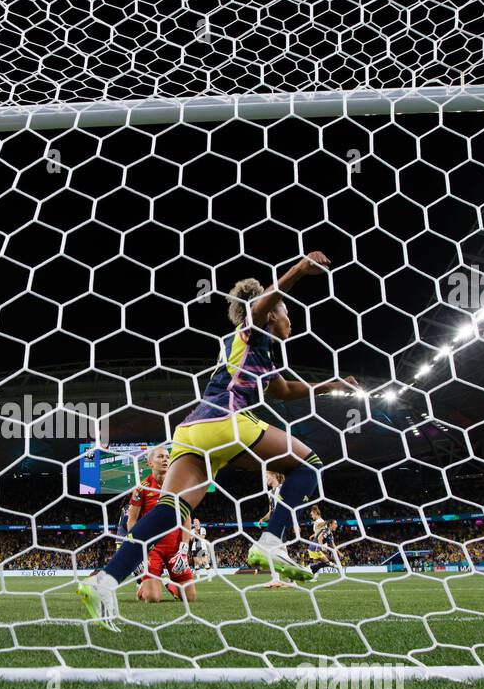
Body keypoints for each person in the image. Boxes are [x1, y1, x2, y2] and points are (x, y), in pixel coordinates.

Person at [78, 252, 358, 627]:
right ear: (271, 311)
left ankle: (105, 581)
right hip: (228, 422)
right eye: (286, 310)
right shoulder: (251, 328)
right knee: (309, 465)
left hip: (191, 432)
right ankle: (271, 542)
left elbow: (285, 389)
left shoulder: (260, 351)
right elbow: (261, 304)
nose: (290, 318)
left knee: (168, 512)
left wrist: (329, 385)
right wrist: (299, 271)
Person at [127, 445, 195, 603]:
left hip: (175, 547)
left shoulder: (179, 486)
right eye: (160, 456)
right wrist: (138, 548)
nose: (165, 459)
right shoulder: (141, 489)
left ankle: (170, 585)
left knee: (190, 598)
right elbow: (132, 520)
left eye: (167, 456)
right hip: (152, 548)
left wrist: (184, 549)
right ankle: (143, 589)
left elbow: (186, 518)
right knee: (152, 598)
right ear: (150, 463)